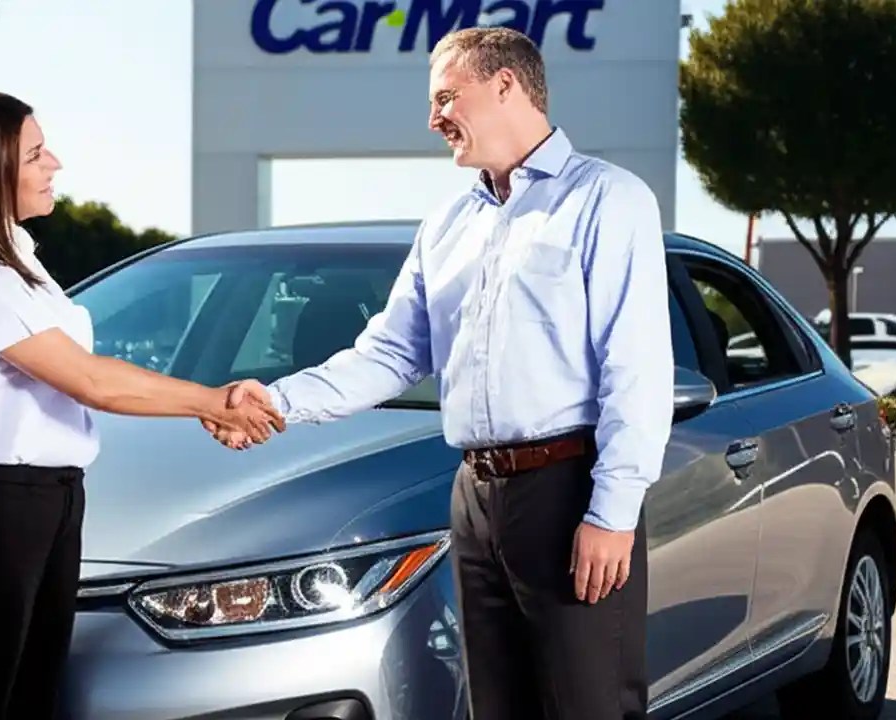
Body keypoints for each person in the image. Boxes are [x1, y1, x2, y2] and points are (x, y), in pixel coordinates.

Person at [207, 27, 672, 720]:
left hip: (567, 490)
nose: (433, 119)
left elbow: (634, 366)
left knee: (590, 705)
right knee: (496, 707)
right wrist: (274, 400)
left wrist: (612, 512)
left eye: (447, 97)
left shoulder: (607, 199)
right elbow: (389, 354)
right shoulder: (448, 223)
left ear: (506, 85)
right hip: (475, 498)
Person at [0, 89, 285, 720]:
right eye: (35, 154)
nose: (55, 164)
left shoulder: (17, 256)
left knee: (32, 701)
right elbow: (89, 380)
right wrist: (213, 402)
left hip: (47, 497)